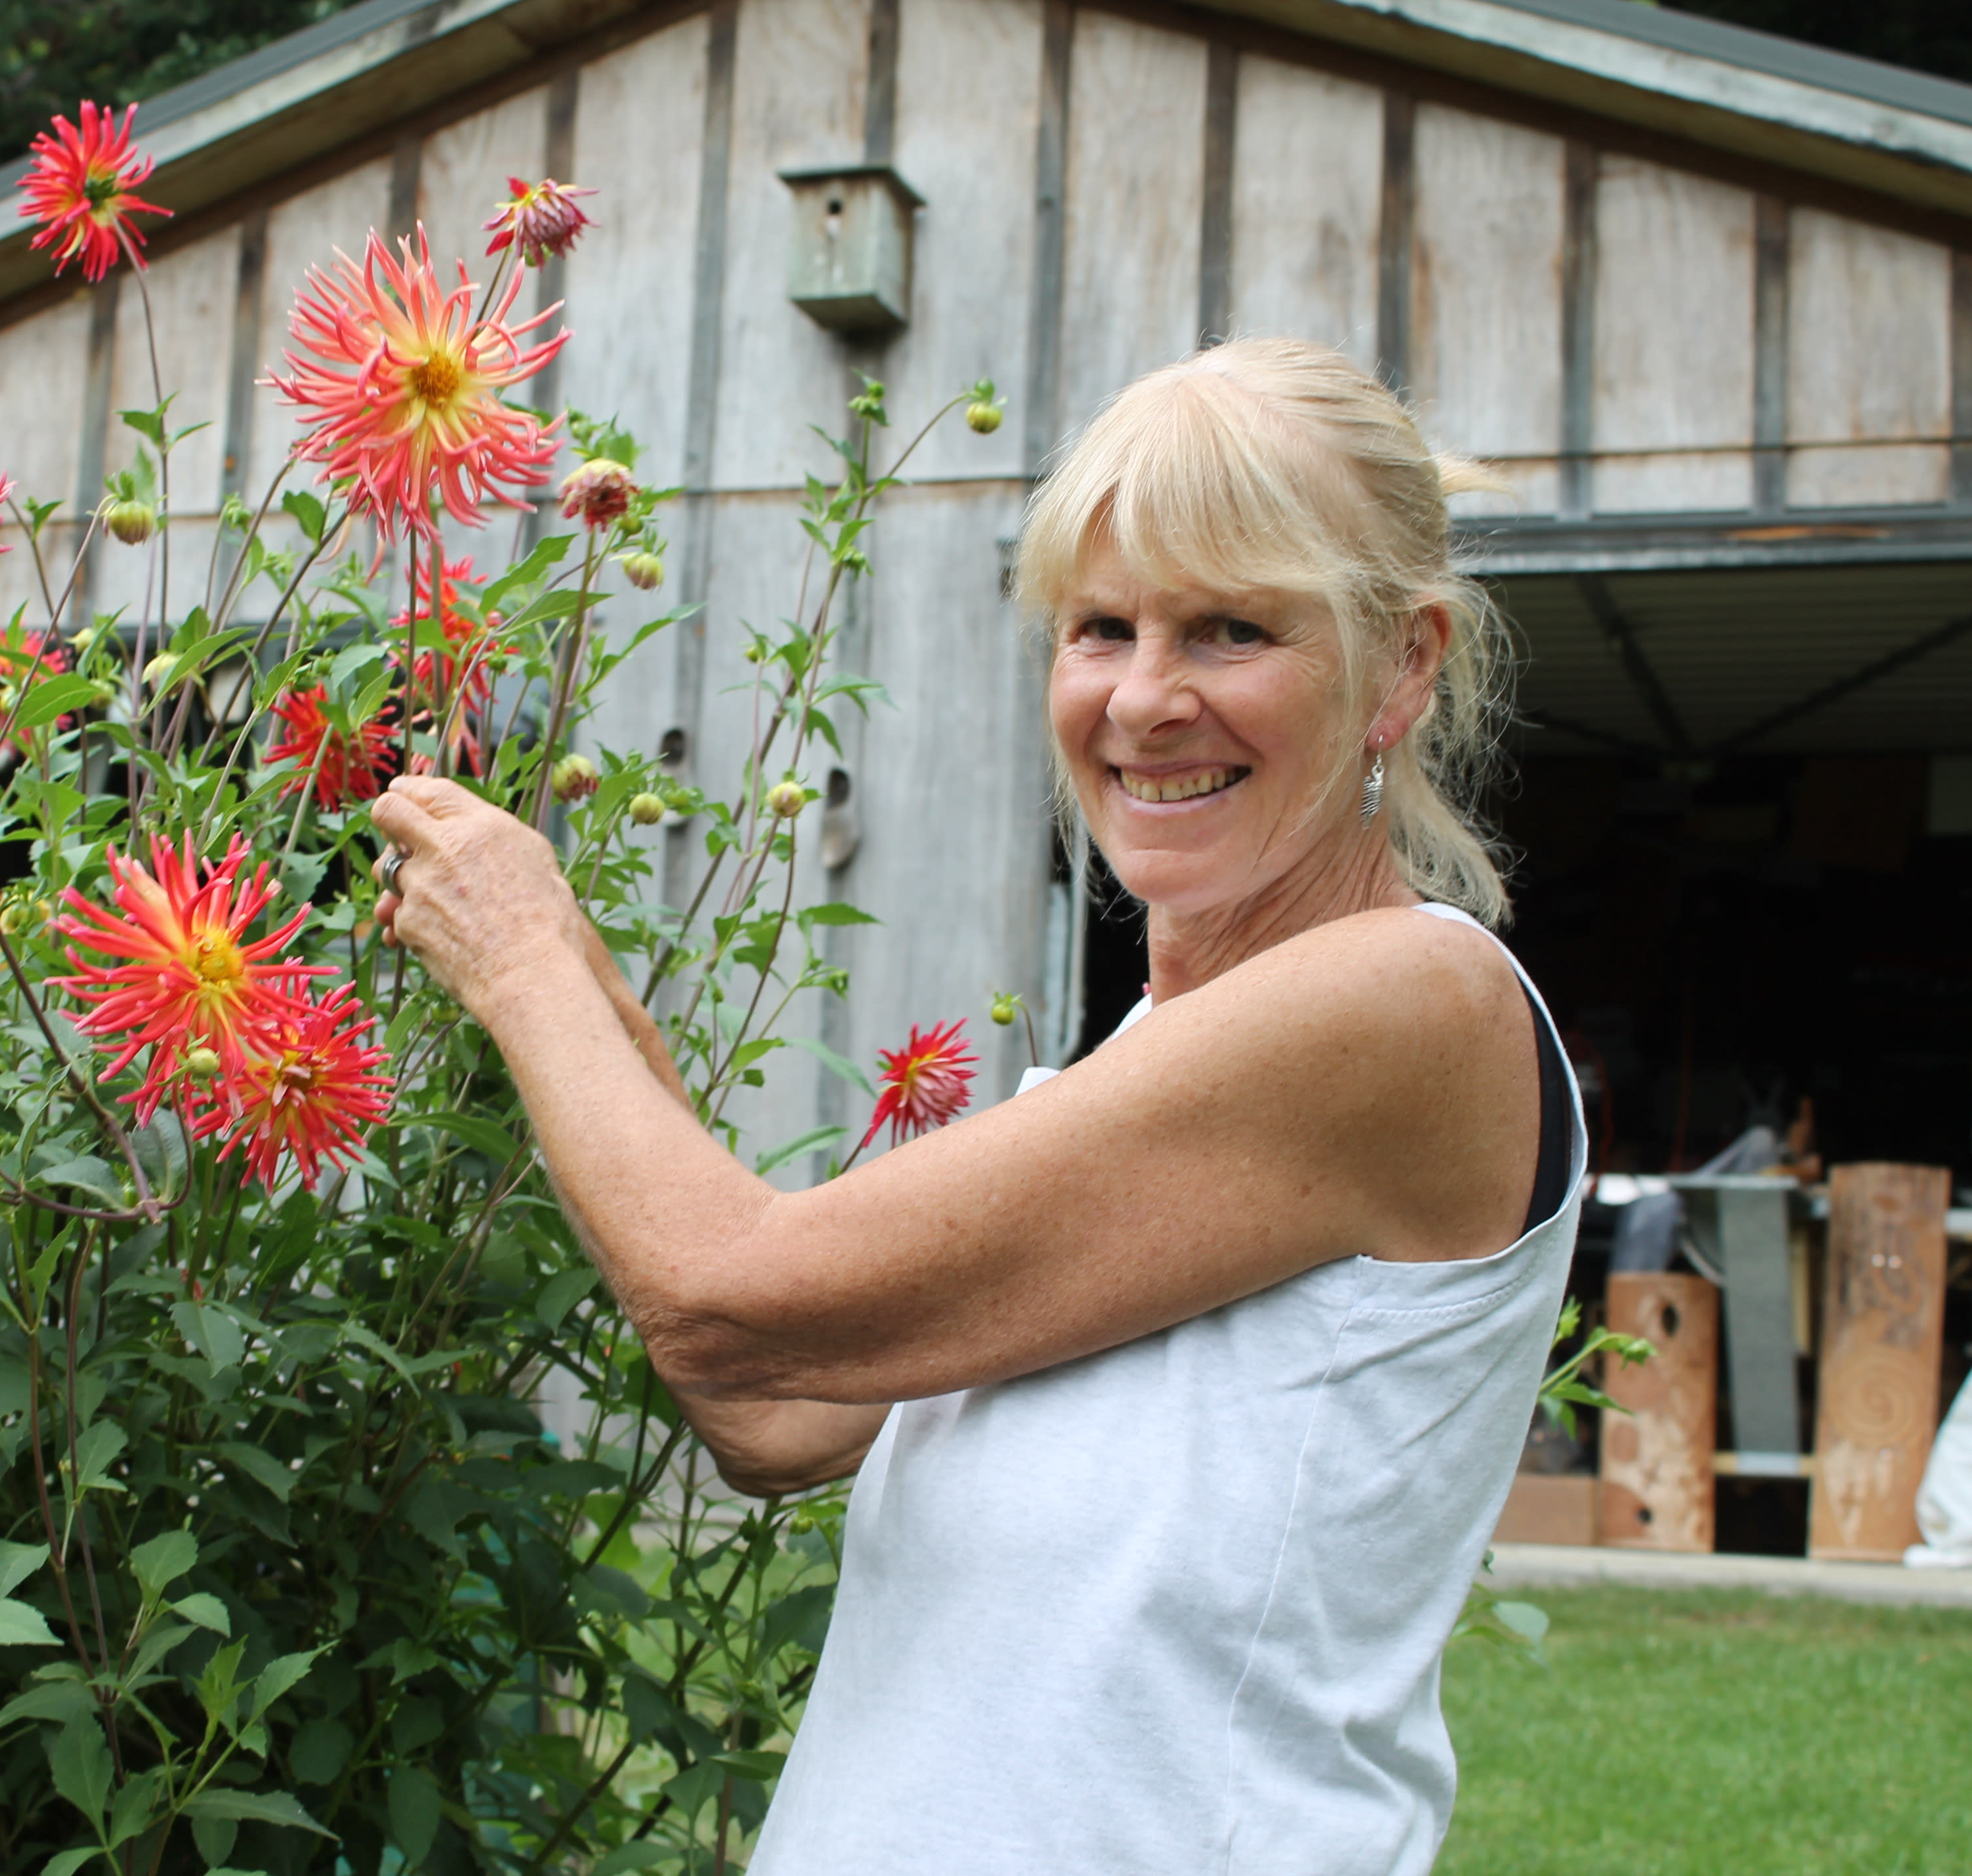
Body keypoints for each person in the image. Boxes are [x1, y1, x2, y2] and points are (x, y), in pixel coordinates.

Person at [369, 337, 1583, 1875]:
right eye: (1101, 626)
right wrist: (581, 980)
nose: (1146, 698)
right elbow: (777, 1403)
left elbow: (730, 1303)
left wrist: (526, 954)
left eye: (1228, 627)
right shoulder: (1150, 1058)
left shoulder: (1413, 1003)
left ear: (1402, 662)